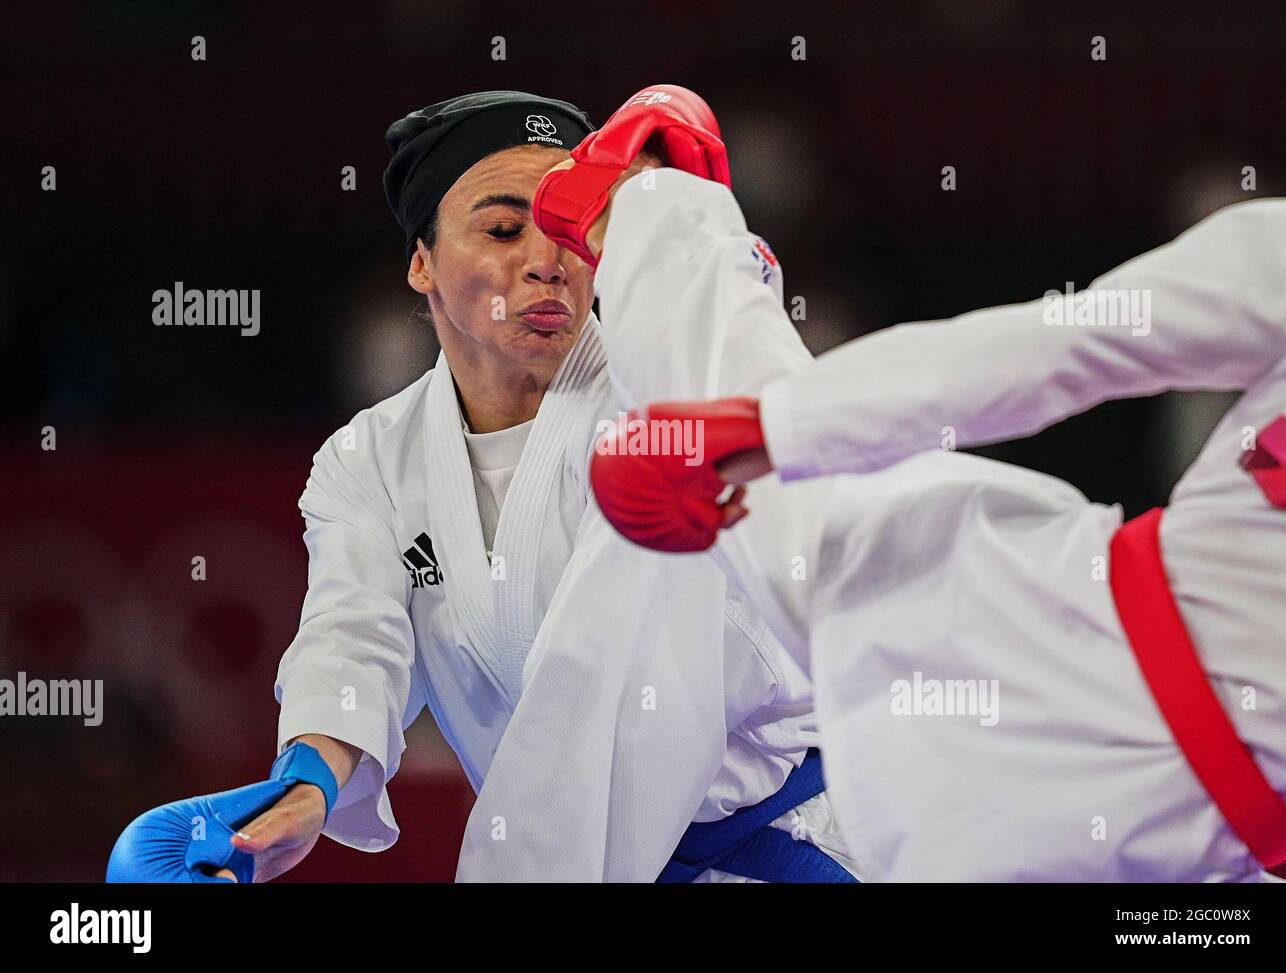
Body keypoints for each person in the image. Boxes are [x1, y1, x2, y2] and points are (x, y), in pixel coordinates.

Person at [106, 88, 867, 884]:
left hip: (801, 841)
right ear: (422, 262)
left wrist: (697, 229)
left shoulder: (664, 398)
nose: (547, 260)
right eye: (504, 229)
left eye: (575, 228)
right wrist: (306, 787)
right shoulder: (368, 462)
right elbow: (352, 640)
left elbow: (763, 399)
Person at [537, 116, 1286, 879]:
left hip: (1207, 853)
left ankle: (653, 210)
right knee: (814, 524)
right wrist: (764, 429)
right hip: (1040, 628)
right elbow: (1065, 347)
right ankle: (646, 202)